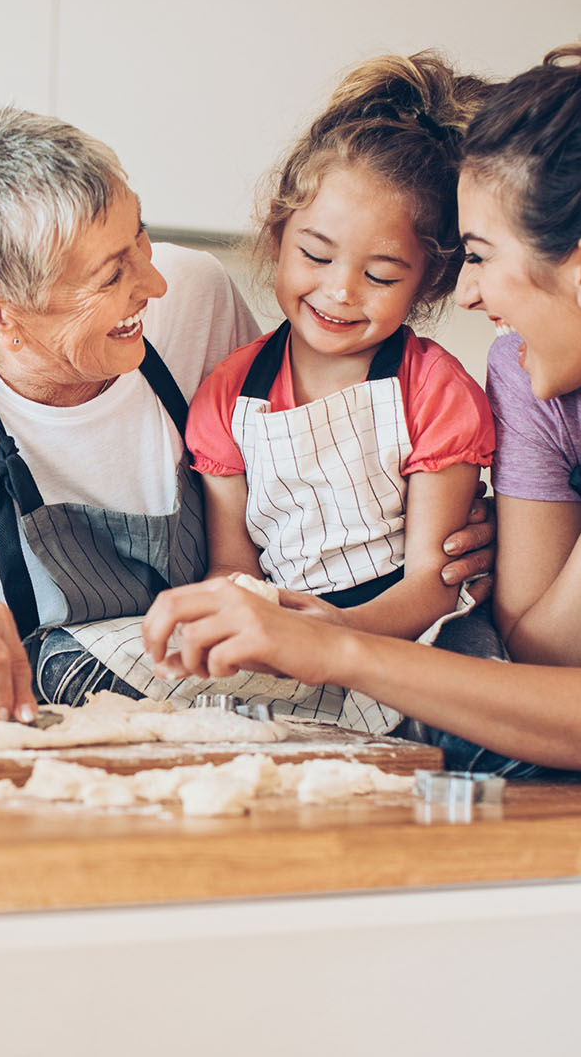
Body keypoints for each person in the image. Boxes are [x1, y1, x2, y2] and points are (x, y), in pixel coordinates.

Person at [142, 0, 581, 783]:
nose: (464, 294)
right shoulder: (531, 374)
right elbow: (554, 660)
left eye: (477, 255)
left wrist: (335, 646)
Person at [0, 107, 495, 722]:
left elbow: (305, 482)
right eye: (112, 275)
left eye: (140, 237)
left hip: (226, 725)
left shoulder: (194, 297)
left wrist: (440, 538)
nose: (154, 281)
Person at [185, 54, 494, 710]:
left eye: (381, 275)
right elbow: (230, 567)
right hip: (281, 629)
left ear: (429, 281)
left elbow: (434, 584)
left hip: (410, 635)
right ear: (278, 231)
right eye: (316, 255)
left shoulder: (436, 393)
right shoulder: (227, 395)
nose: (340, 291)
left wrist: (341, 633)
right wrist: (247, 627)